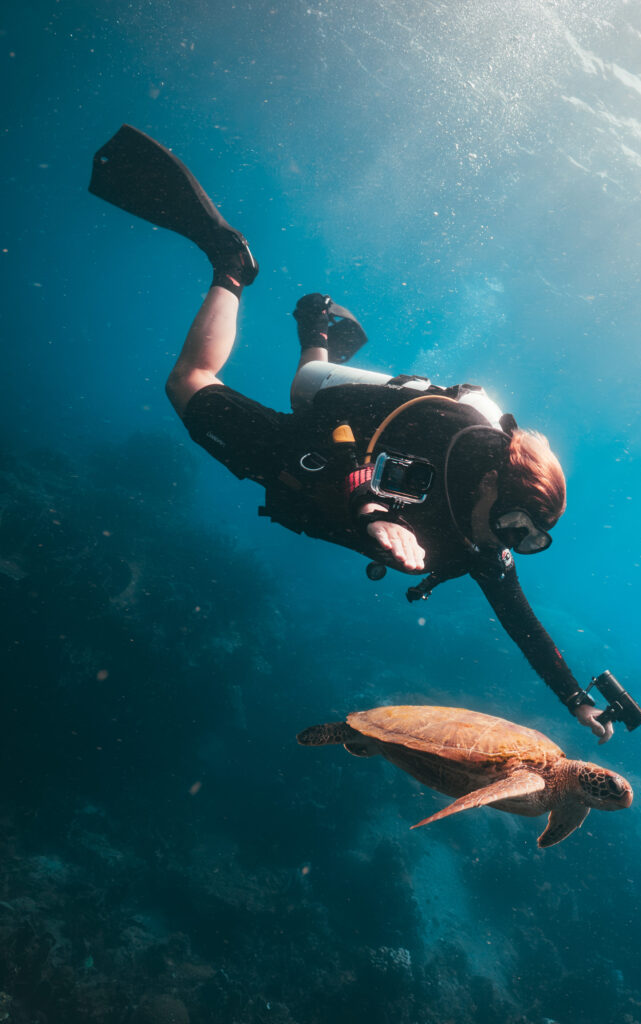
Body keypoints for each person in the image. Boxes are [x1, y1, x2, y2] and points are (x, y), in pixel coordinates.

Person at [89, 125, 613, 743]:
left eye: (526, 540)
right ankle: (230, 265)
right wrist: (368, 508)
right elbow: (341, 416)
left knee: (302, 381)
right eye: (512, 524)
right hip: (324, 438)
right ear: (493, 479)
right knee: (205, 382)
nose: (507, 540)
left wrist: (575, 699)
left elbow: (520, 620)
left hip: (331, 480)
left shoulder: (487, 534)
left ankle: (320, 326)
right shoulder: (449, 432)